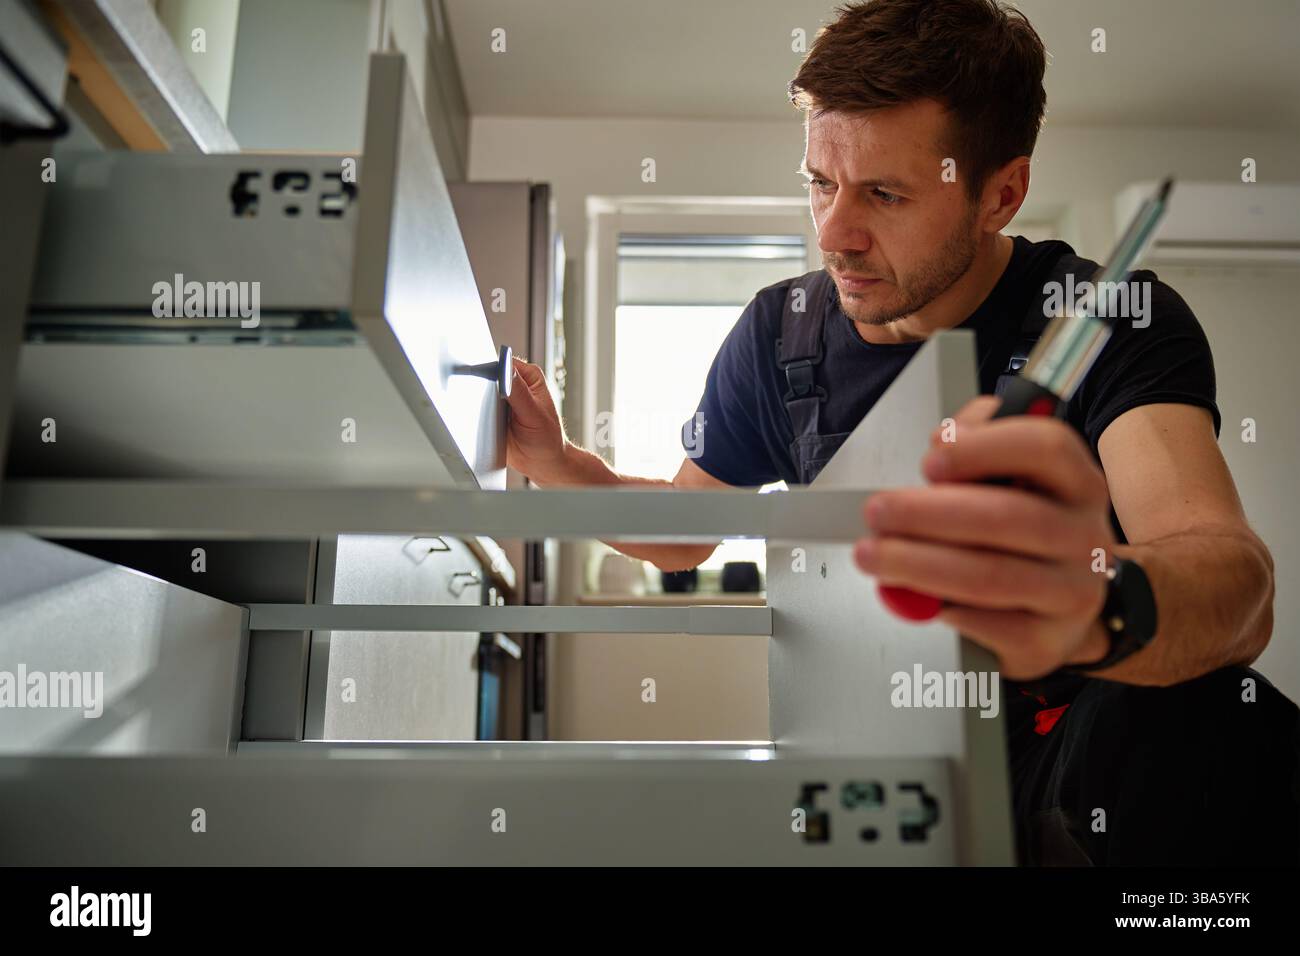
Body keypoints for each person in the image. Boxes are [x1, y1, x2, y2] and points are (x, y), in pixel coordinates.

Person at [504, 0, 1299, 865]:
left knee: (1191, 707)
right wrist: (555, 462)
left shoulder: (1103, 318)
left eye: (884, 194)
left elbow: (1232, 578)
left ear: (1001, 193)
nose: (835, 233)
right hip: (886, 780)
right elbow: (683, 534)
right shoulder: (780, 336)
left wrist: (1092, 599)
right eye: (819, 182)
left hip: (1082, 776)